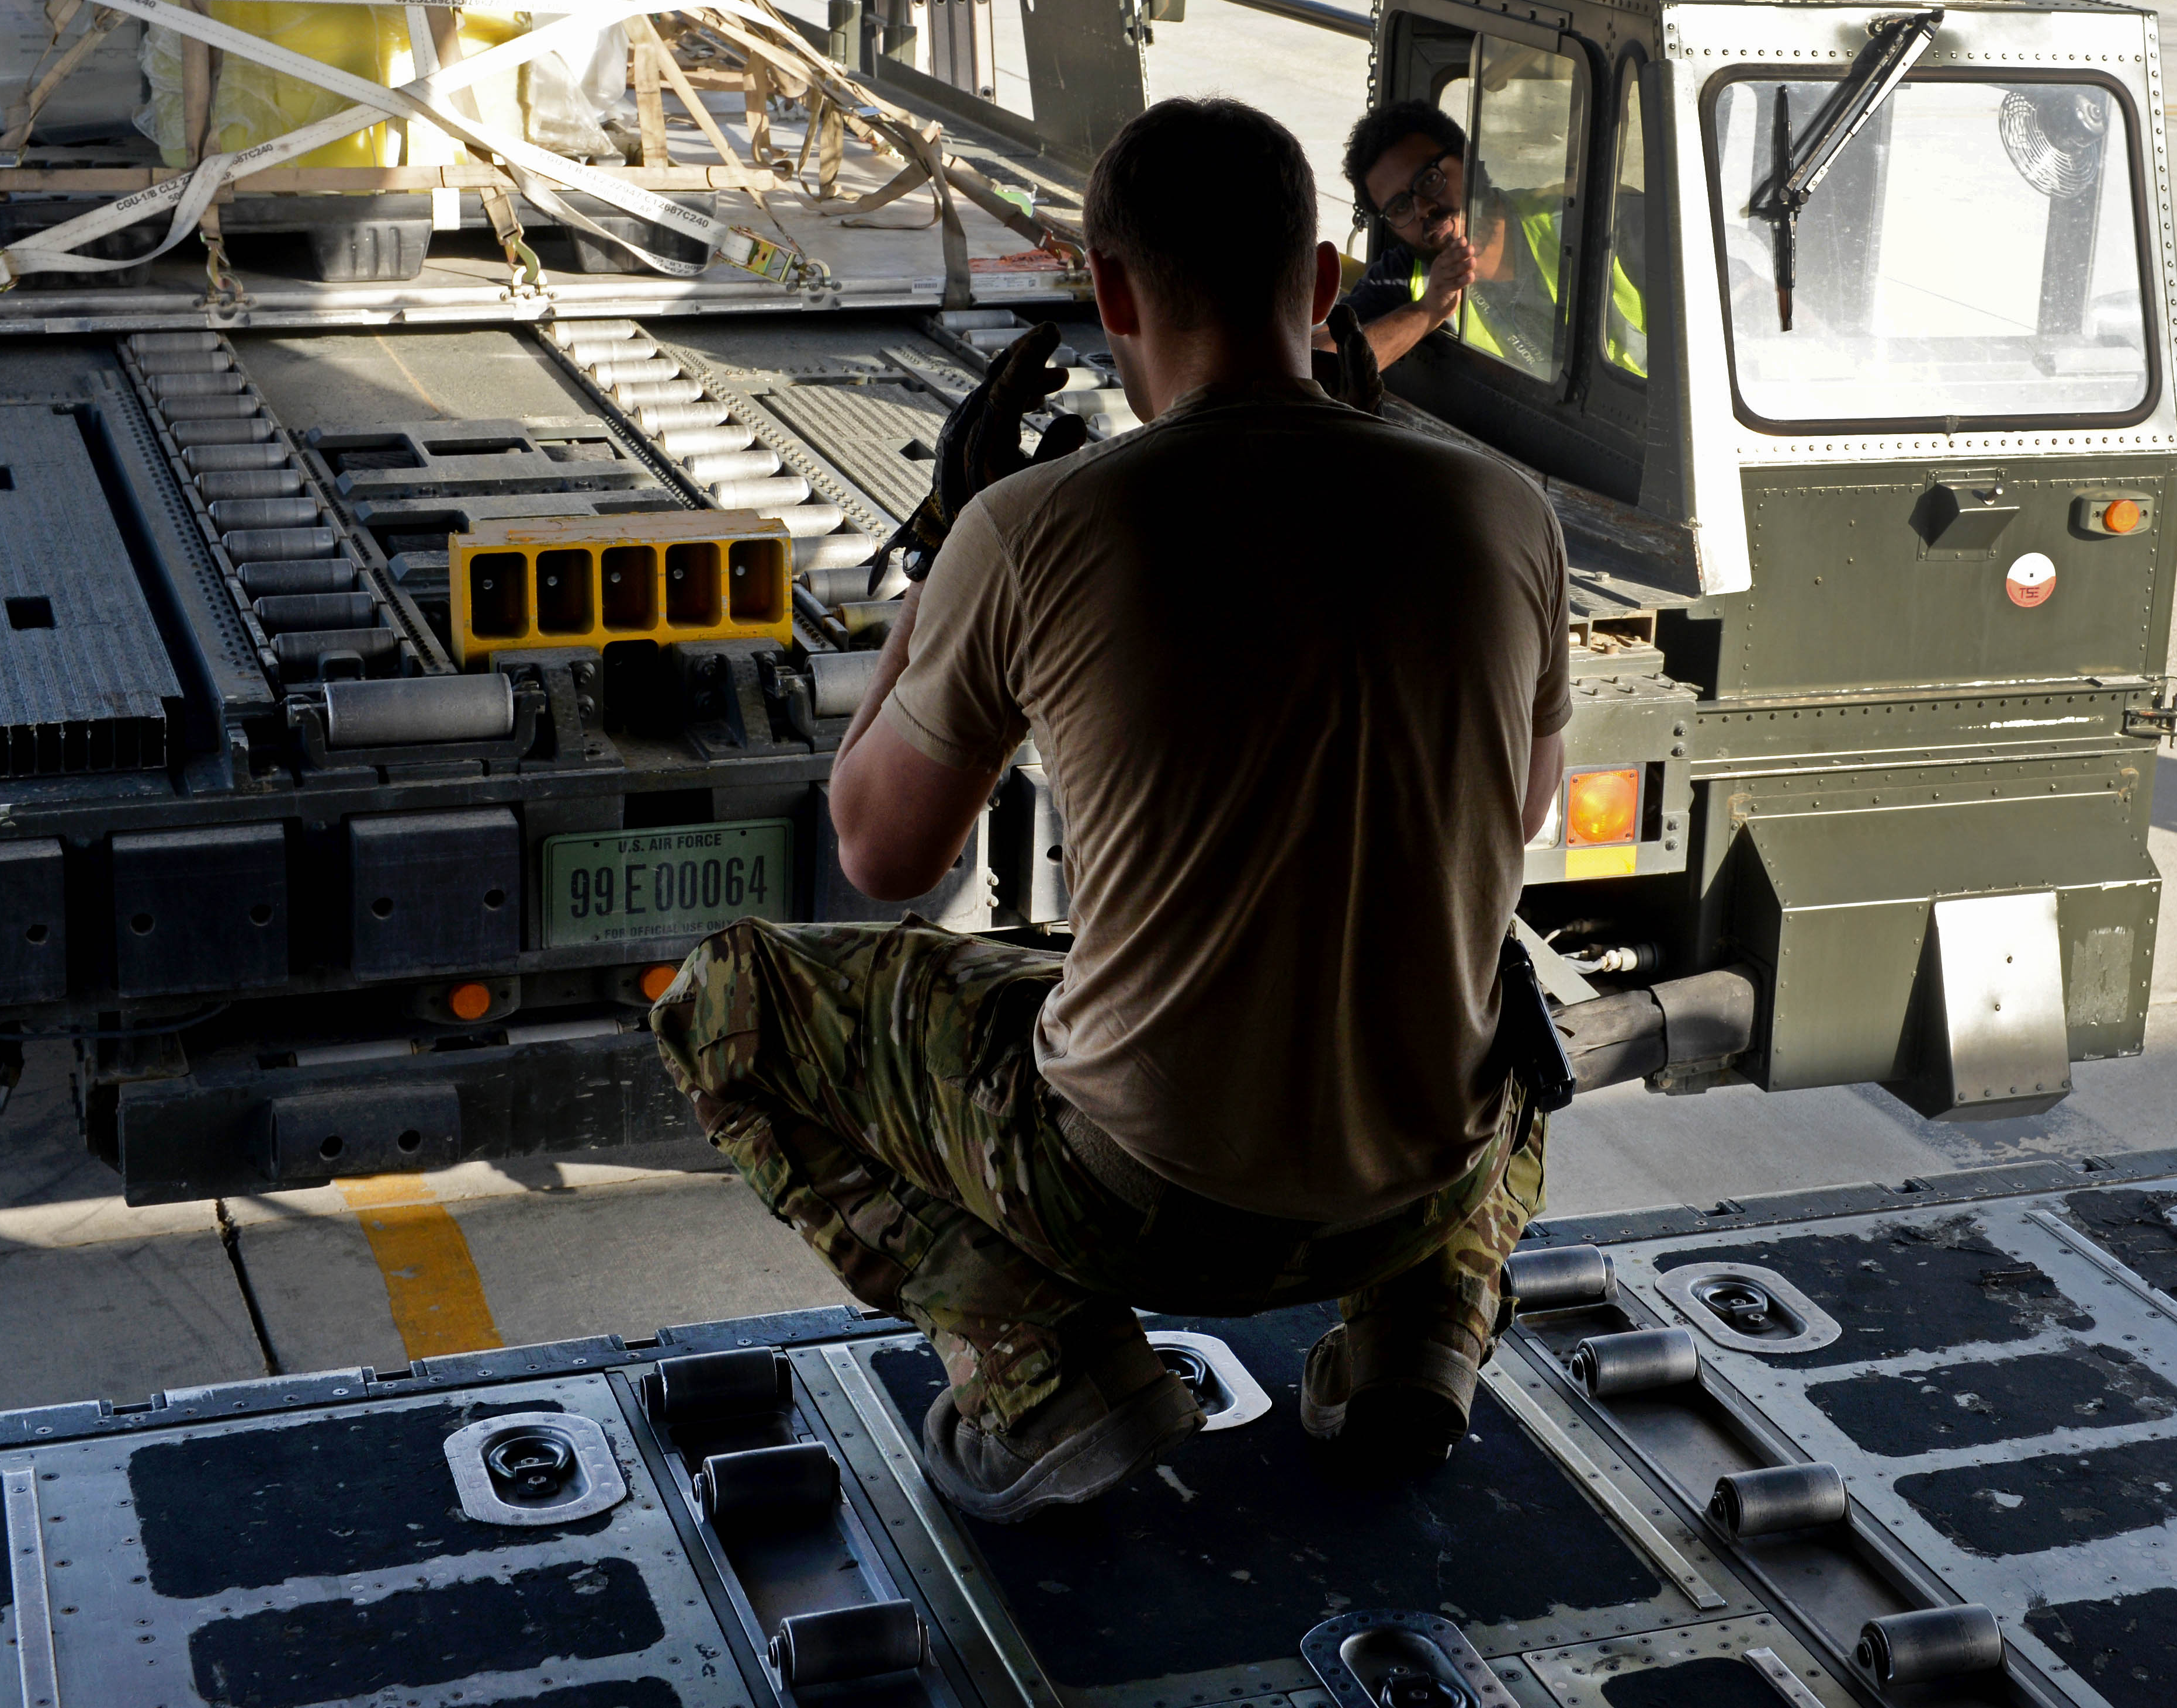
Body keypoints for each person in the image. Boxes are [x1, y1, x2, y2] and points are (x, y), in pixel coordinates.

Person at [654, 96, 1571, 1521]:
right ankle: (1421, 1331)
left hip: (1128, 1197)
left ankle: (1052, 1376)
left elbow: (881, 852)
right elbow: (1507, 822)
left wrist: (953, 555)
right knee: (1500, 992)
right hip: (1419, 1186)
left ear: (1111, 291)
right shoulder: (1505, 509)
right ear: (1324, 282)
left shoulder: (1039, 527)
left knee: (731, 1000)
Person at [1337, 97, 1566, 370]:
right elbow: (1318, 359)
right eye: (1400, 207)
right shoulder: (1406, 275)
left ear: (1466, 155)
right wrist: (1427, 310)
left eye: (1430, 179)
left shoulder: (1571, 223)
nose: (1422, 207)